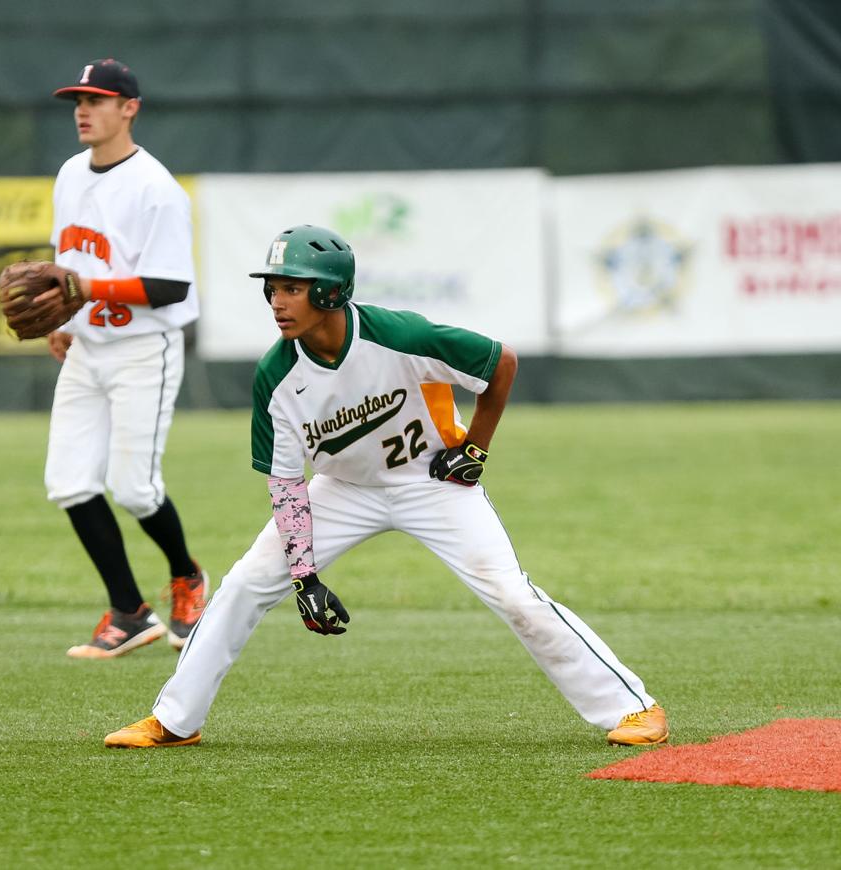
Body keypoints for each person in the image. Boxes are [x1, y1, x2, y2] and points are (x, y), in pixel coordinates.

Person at [104, 224, 669, 745]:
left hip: (430, 479)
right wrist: (304, 575)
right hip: (343, 490)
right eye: (272, 288)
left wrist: (475, 448)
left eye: (293, 288)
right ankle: (175, 720)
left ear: (330, 293)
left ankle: (632, 708)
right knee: (248, 581)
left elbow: (501, 364)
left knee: (511, 593)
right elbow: (286, 486)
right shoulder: (276, 376)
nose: (277, 301)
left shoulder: (400, 335)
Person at [39, 58, 207, 658]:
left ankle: (187, 578)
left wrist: (87, 295)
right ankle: (129, 612)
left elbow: (169, 287)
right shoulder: (68, 175)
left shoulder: (155, 190)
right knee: (68, 481)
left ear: (129, 108)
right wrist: (64, 318)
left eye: (97, 100)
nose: (83, 111)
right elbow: (70, 266)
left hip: (145, 349)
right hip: (89, 348)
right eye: (77, 101)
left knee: (134, 489)